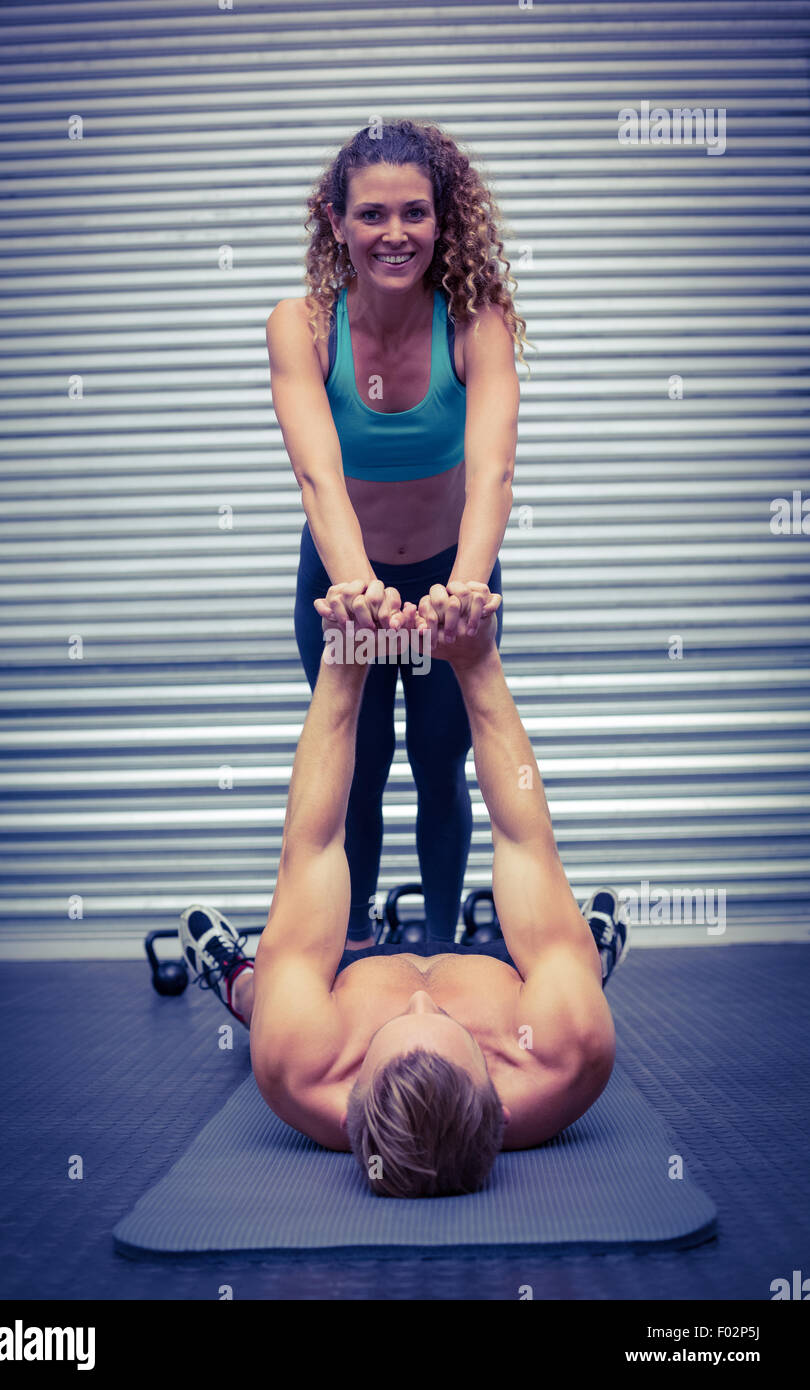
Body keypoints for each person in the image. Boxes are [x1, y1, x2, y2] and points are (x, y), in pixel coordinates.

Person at [179, 586, 630, 1199]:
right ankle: (590, 955)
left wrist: (343, 665)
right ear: (496, 1098)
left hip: (343, 992)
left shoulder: (300, 1065)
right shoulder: (565, 1051)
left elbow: (311, 847)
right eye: (442, 1019)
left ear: (348, 1103)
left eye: (399, 1023)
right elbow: (525, 844)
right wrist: (478, 663)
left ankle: (240, 981)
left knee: (275, 1003)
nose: (420, 1000)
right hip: (500, 978)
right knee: (568, 968)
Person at [266, 118, 527, 948]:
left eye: (414, 213)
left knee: (442, 764)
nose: (394, 233)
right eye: (371, 215)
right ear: (336, 222)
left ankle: (443, 950)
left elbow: (491, 472)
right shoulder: (300, 326)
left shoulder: (475, 323)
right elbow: (319, 477)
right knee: (356, 769)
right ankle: (351, 952)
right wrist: (357, 592)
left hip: (452, 573)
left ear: (443, 221)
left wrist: (467, 592)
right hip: (344, 584)